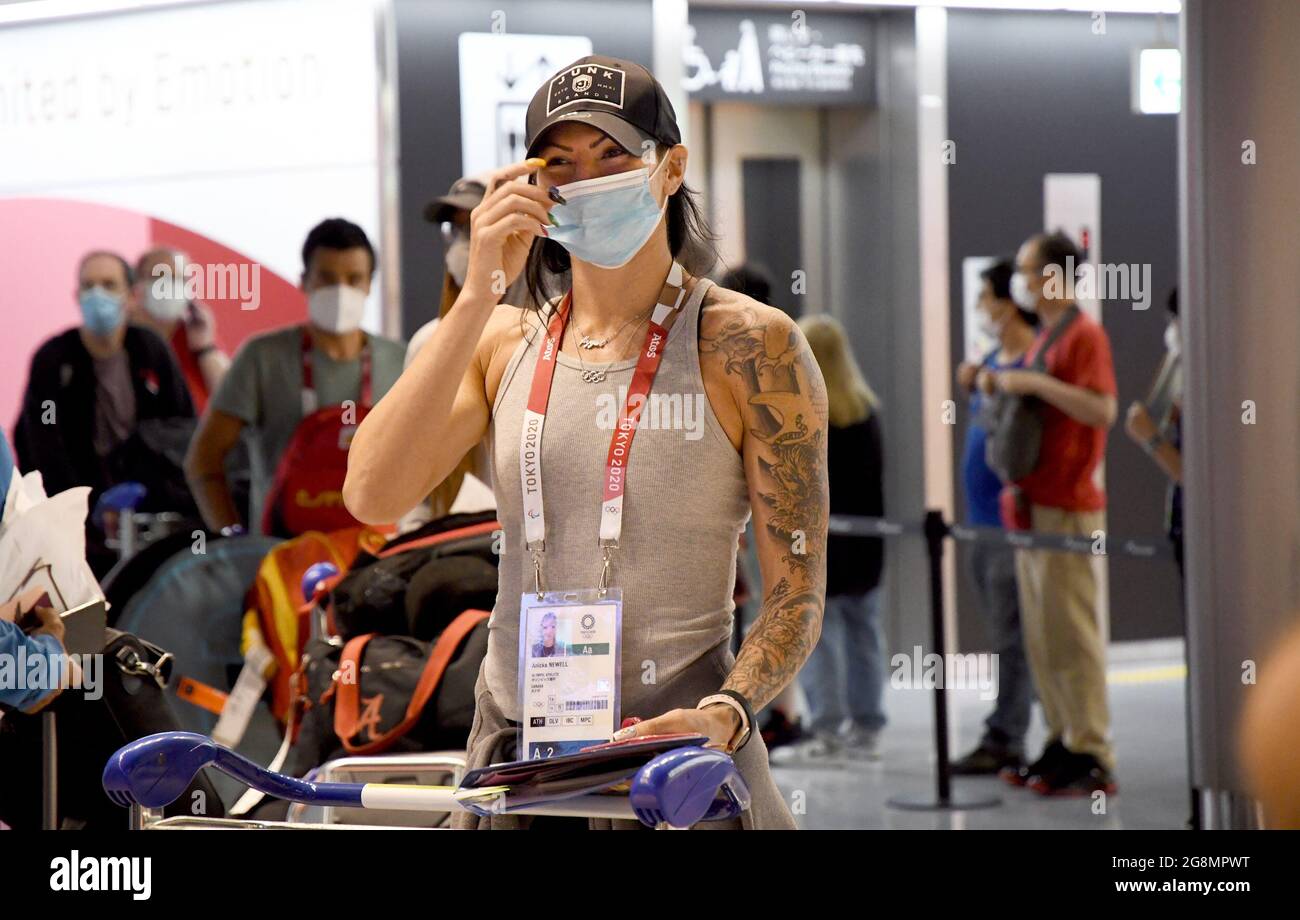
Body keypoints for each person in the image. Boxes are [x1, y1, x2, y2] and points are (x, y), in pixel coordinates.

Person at [344, 55, 827, 829]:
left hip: (680, 760)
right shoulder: (502, 340)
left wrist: (726, 712)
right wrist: (477, 293)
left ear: (671, 168)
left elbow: (797, 590)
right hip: (515, 754)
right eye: (560, 162)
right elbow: (370, 491)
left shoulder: (747, 344)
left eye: (612, 155)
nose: (587, 178)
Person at [988, 231, 1119, 796]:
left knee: (1073, 634)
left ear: (1054, 274)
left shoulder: (1084, 336)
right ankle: (1062, 736)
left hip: (1068, 510)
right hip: (1031, 507)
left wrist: (1035, 382)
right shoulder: (1047, 337)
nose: (1021, 281)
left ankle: (1092, 748)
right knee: (1044, 635)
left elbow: (1102, 409)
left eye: (1028, 269)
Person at [185, 219, 406, 536]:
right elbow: (203, 459)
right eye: (327, 278)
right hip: (281, 558)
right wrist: (235, 539)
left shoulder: (401, 361)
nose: (341, 290)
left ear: (370, 285)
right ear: (304, 281)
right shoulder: (263, 357)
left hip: (380, 554)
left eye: (353, 279)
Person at [13, 251, 194, 575]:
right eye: (89, 285)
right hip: (73, 518)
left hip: (146, 513)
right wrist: (87, 503)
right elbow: (41, 441)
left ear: (130, 293)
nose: (98, 294)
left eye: (109, 284)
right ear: (77, 295)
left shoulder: (150, 350)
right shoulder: (54, 360)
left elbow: (181, 428)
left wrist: (152, 488)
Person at [771, 313, 885, 764]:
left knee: (820, 637)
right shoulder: (866, 410)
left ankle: (827, 728)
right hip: (868, 548)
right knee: (863, 634)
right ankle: (866, 725)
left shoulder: (813, 419)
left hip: (825, 548)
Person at [950, 258, 1039, 775]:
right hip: (982, 523)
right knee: (1003, 635)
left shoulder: (1029, 362)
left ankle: (1009, 736)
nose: (980, 309)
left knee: (1013, 640)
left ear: (1006, 304)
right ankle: (1006, 729)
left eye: (984, 298)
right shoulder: (992, 361)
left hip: (1012, 528)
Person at [1124, 287, 1183, 577]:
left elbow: (1198, 481)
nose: (1171, 331)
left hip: (1206, 531)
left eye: (1175, 321)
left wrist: (1151, 439)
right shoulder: (1183, 369)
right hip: (1184, 530)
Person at [129, 247, 231, 414]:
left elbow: (235, 399)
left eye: (179, 279)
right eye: (160, 277)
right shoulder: (119, 336)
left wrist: (205, 348)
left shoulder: (194, 335)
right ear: (136, 284)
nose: (169, 287)